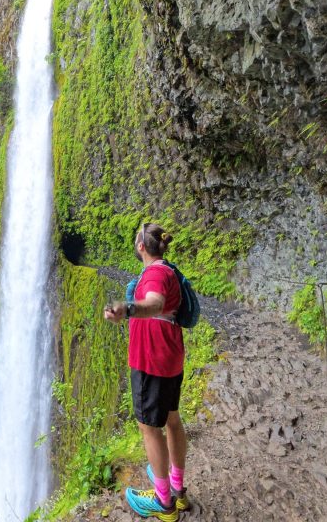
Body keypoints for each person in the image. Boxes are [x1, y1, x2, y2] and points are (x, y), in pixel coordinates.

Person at [104, 223, 190, 521]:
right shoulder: (167, 270)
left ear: (141, 245)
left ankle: (163, 502)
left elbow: (155, 304)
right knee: (172, 421)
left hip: (151, 362)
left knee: (149, 428)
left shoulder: (154, 273)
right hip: (169, 357)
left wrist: (126, 309)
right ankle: (177, 490)